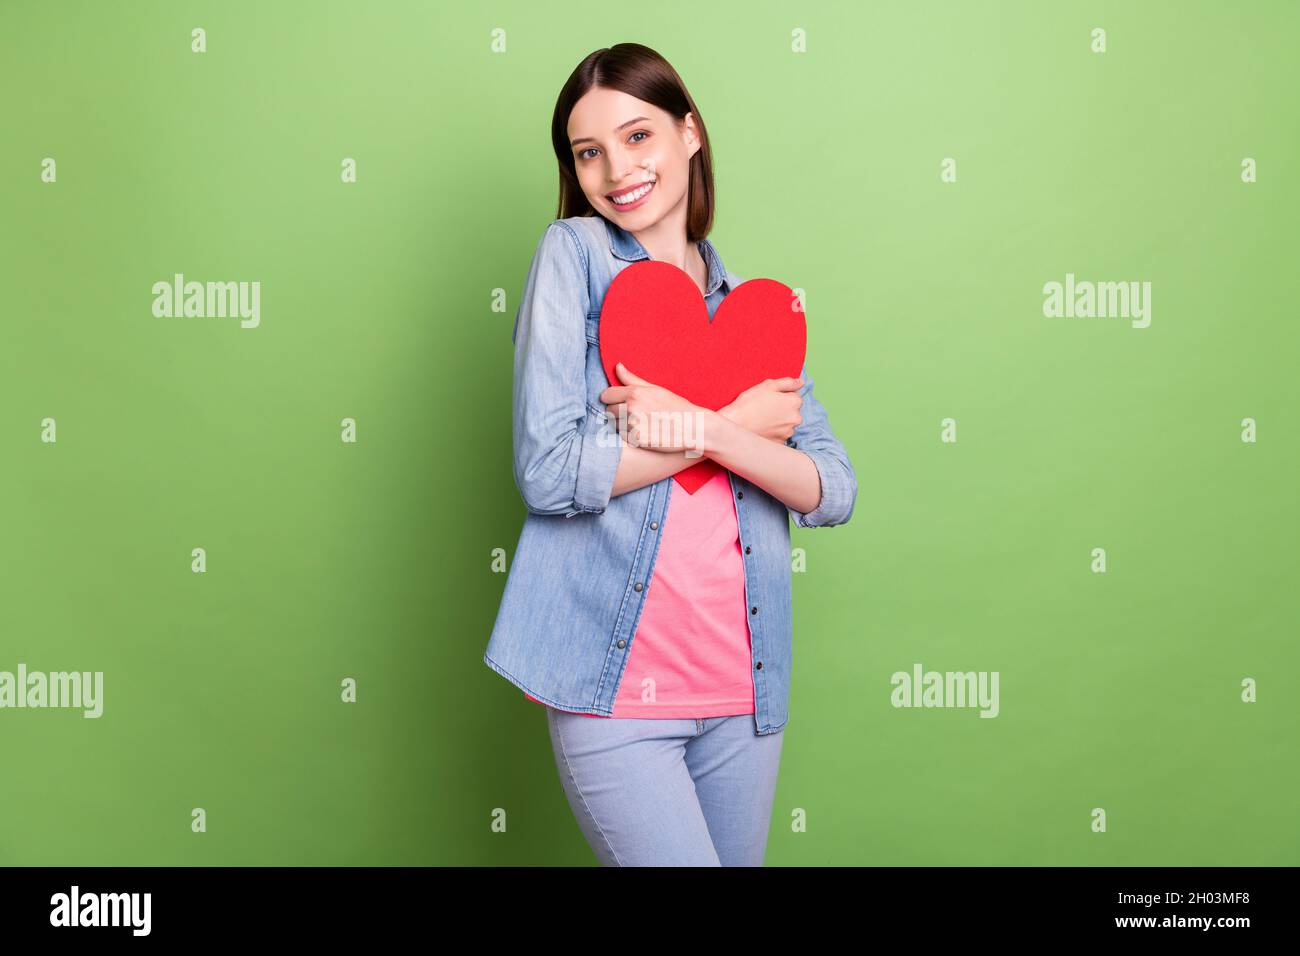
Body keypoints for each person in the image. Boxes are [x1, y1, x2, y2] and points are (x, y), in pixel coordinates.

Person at [483, 42, 858, 866]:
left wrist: (703, 428)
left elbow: (830, 488)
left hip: (742, 690)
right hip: (615, 691)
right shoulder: (572, 258)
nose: (617, 169)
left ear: (690, 133)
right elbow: (550, 471)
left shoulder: (753, 313)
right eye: (589, 152)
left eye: (639, 136)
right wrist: (734, 427)